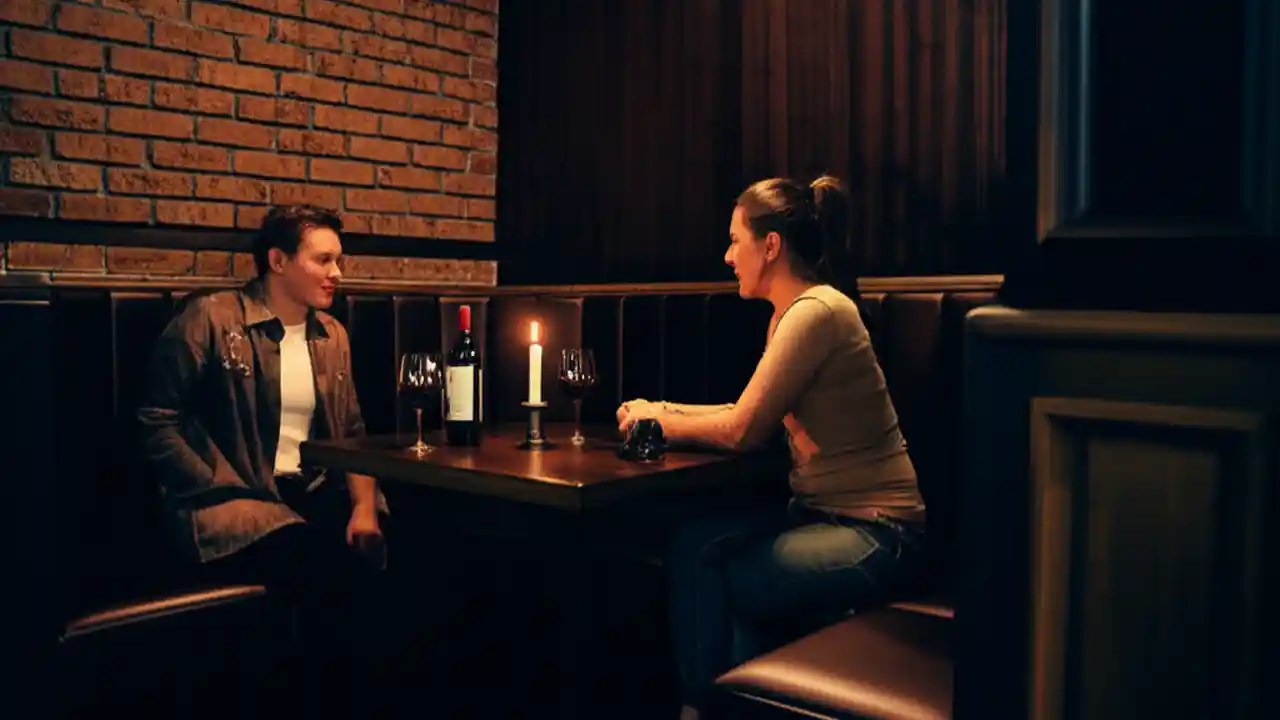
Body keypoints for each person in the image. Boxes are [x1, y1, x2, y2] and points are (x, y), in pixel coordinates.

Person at [616, 176, 927, 719]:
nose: (728, 255)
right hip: (822, 518)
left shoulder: (817, 313)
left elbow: (742, 430)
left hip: (879, 532)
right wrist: (659, 411)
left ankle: (704, 710)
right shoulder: (790, 314)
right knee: (694, 544)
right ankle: (724, 706)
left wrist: (659, 423)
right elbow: (745, 410)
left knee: (717, 578)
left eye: (736, 240)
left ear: (771, 245)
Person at [137, 204, 388, 715]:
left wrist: (364, 508)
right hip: (233, 502)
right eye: (324, 260)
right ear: (278, 260)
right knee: (330, 570)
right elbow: (155, 419)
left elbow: (354, 434)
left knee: (405, 552)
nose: (338, 273)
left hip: (311, 491)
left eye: (339, 260)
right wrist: (211, 482)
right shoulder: (212, 317)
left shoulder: (331, 334)